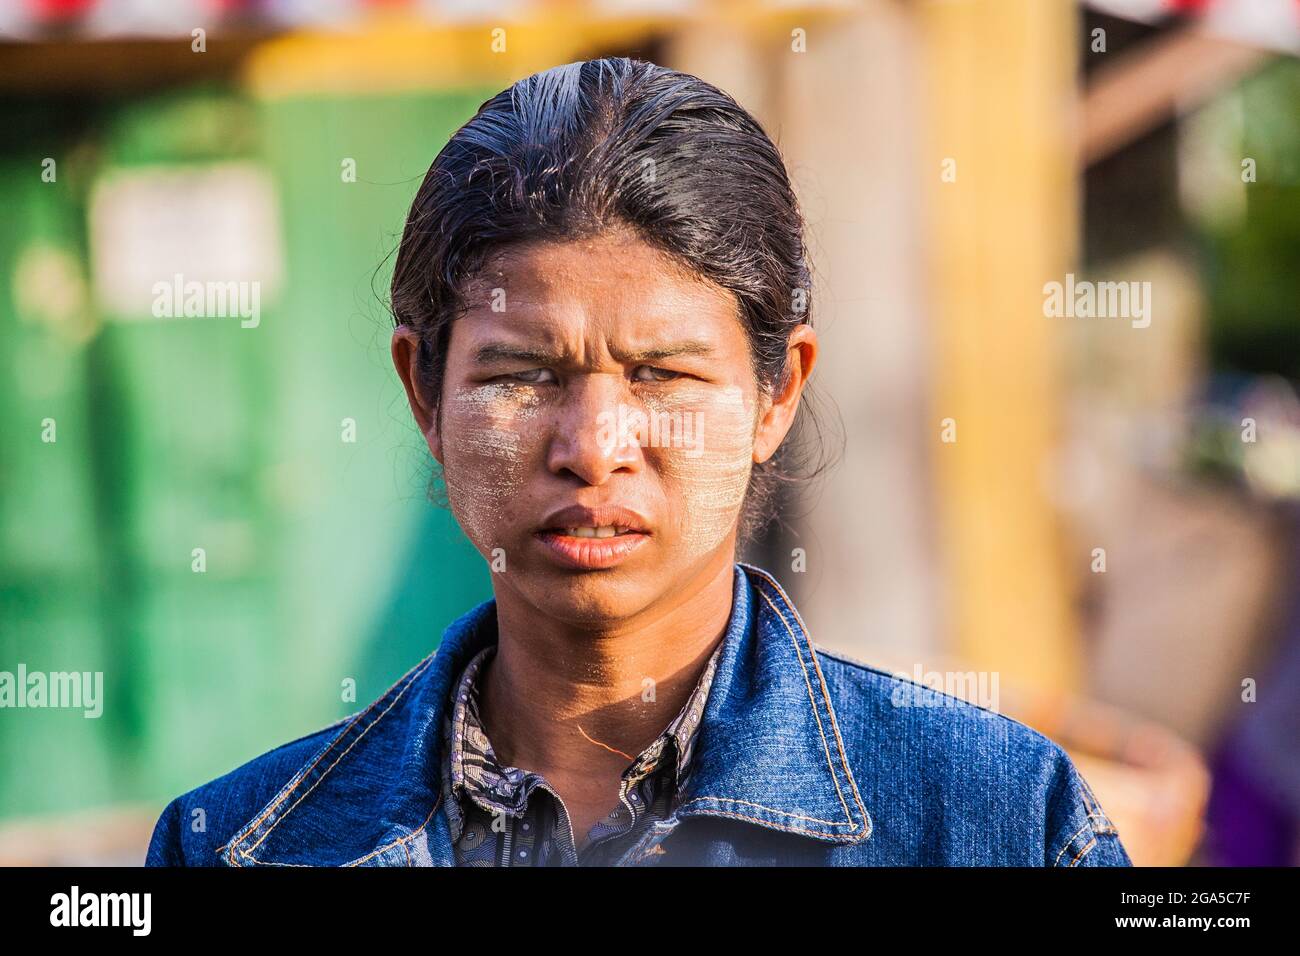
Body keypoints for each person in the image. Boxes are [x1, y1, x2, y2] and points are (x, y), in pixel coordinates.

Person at [146, 56, 1131, 867]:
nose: (591, 448)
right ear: (423, 393)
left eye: (660, 373)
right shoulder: (239, 843)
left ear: (776, 392)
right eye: (522, 375)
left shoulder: (995, 824)